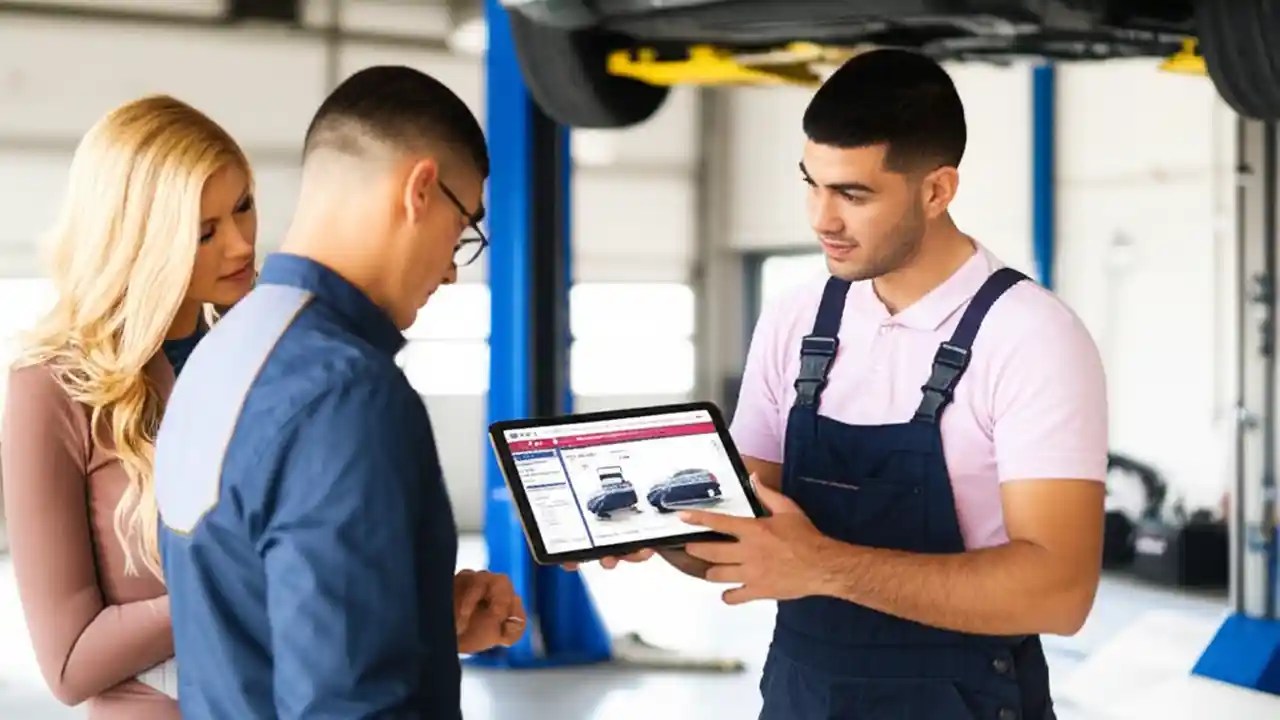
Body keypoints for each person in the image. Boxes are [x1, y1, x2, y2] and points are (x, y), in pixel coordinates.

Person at [605, 49, 1108, 718]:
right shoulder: (796, 317)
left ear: (937, 190)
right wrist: (660, 525)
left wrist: (825, 566)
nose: (821, 218)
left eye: (853, 193)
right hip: (802, 695)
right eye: (811, 182)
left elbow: (1058, 593)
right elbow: (748, 535)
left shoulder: (1031, 336)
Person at [152, 65, 526, 719]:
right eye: (464, 229)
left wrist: (415, 621)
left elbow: (251, 614)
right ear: (421, 190)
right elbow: (347, 704)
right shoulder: (345, 392)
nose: (451, 269)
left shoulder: (224, 352)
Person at [0, 94, 258, 719]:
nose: (240, 245)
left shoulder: (261, 348)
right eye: (204, 232)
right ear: (139, 241)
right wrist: (243, 581)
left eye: (244, 206)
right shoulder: (52, 387)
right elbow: (69, 664)